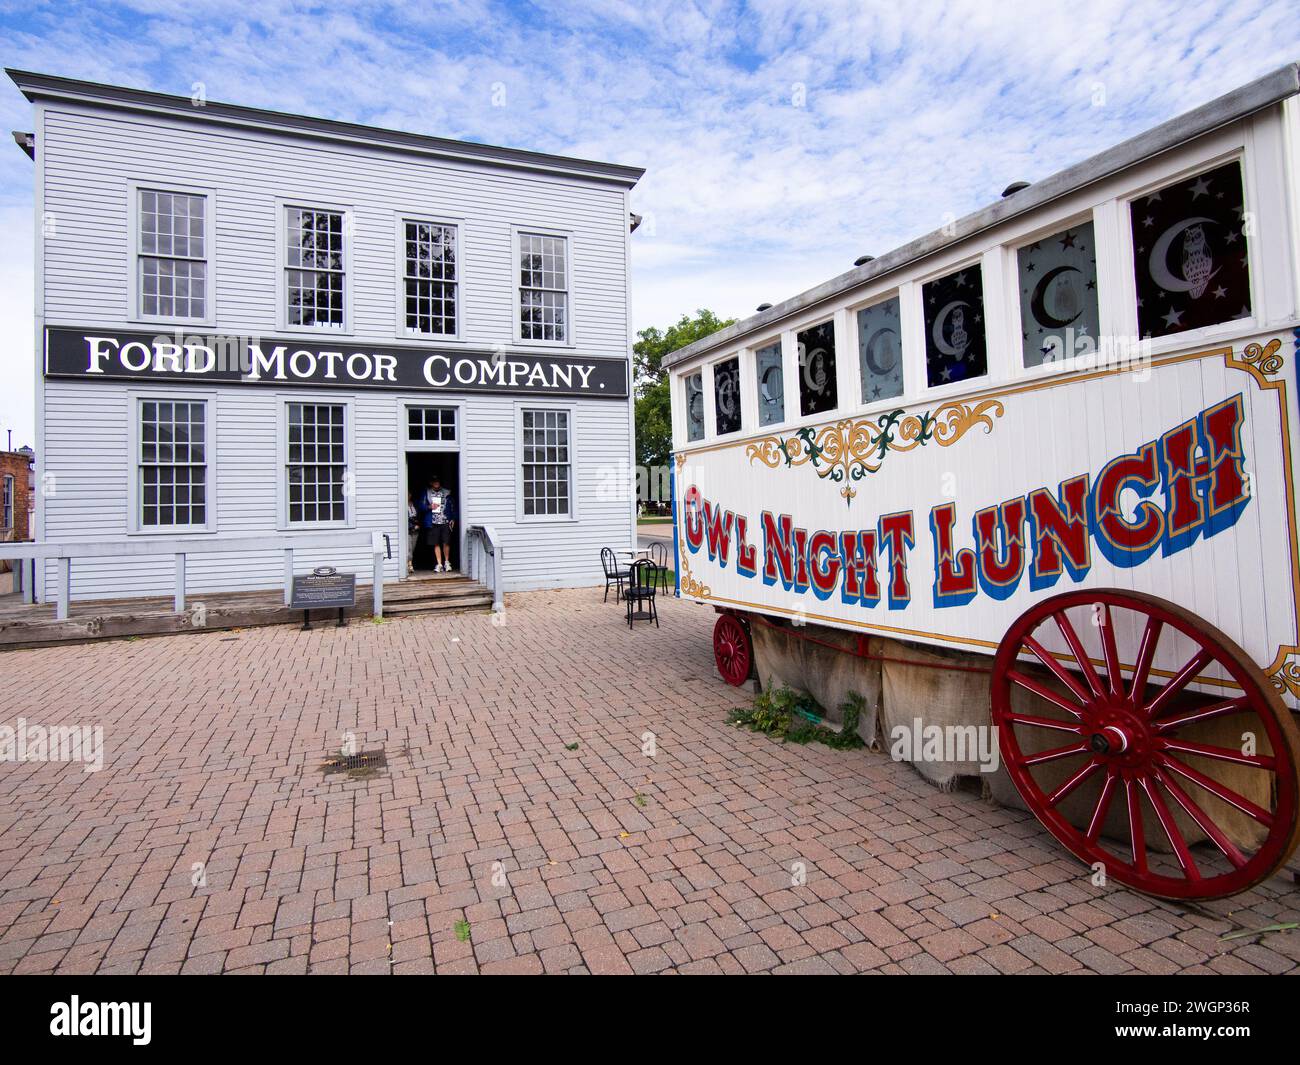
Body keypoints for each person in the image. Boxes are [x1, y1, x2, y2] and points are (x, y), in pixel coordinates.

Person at [418, 476, 456, 573]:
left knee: (446, 542)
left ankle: (447, 562)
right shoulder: (426, 492)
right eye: (434, 481)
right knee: (435, 543)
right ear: (431, 483)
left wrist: (452, 518)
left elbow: (453, 506)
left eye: (438, 481)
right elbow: (420, 506)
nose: (436, 483)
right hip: (433, 521)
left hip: (445, 520)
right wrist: (429, 506)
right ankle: (439, 564)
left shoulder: (446, 492)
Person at [406, 491, 419, 575]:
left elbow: (418, 516)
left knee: (413, 548)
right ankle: (409, 565)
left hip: (416, 529)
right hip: (408, 529)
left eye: (409, 494)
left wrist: (418, 524)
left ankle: (410, 563)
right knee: (409, 547)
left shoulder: (414, 504)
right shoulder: (403, 505)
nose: (409, 496)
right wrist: (411, 526)